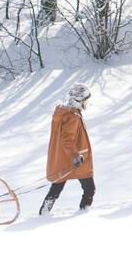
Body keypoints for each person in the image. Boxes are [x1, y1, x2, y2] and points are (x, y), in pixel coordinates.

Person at [40, 83, 95, 215]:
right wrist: (75, 155)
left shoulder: (65, 113)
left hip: (63, 158)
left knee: (57, 187)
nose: (87, 103)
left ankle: (43, 213)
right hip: (76, 160)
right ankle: (83, 213)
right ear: (79, 100)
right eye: (85, 100)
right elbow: (67, 139)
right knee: (90, 189)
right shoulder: (72, 117)